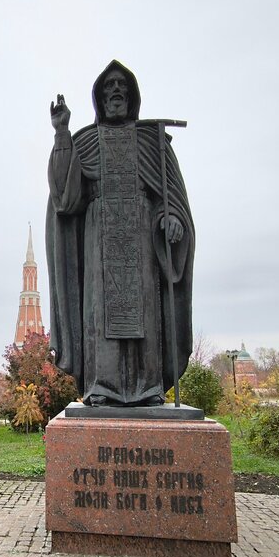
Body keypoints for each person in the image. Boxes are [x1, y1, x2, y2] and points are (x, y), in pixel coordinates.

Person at [45, 60, 194, 407]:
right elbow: (65, 200)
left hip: (142, 240)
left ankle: (148, 387)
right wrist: (61, 133)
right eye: (109, 87)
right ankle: (103, 386)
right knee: (100, 312)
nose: (116, 92)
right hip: (99, 240)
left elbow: (170, 197)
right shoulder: (85, 141)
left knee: (145, 311)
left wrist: (171, 218)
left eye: (122, 88)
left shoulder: (151, 142)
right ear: (99, 97)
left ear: (132, 97)